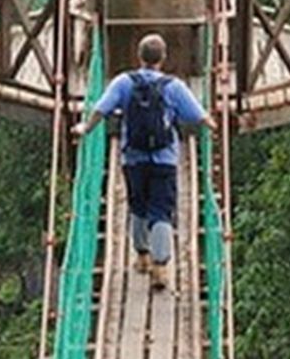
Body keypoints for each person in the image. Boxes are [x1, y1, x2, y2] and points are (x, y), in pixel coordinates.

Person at [72, 34, 217, 289]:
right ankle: (161, 268)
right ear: (163, 58)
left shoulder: (124, 82)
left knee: (138, 206)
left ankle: (142, 256)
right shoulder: (174, 86)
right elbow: (198, 116)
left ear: (139, 57)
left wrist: (85, 128)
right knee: (161, 211)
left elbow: (101, 109)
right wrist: (215, 126)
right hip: (165, 159)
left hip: (133, 158)